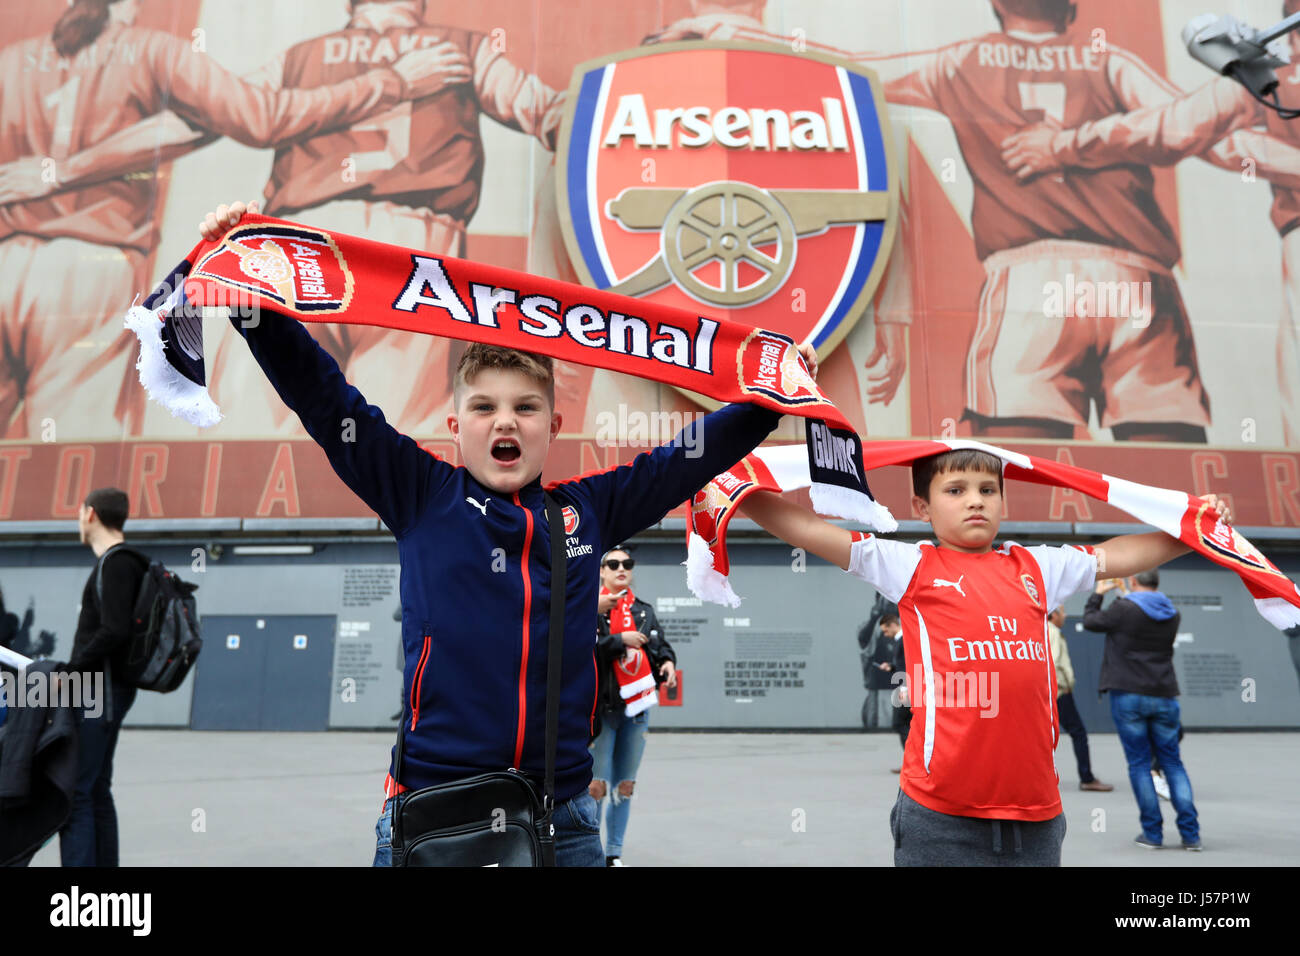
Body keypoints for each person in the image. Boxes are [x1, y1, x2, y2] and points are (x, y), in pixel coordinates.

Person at [199, 201, 808, 867]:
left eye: (525, 407)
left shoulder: (588, 511)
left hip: (566, 818)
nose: (505, 423)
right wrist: (245, 288)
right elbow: (322, 396)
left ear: (553, 425)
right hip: (436, 809)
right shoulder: (419, 493)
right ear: (456, 427)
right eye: (483, 408)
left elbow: (683, 459)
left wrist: (770, 399)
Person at [739, 448, 1230, 866]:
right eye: (955, 490)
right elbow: (807, 529)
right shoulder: (909, 565)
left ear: (1002, 499)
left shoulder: (1037, 565)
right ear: (922, 506)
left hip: (1037, 817)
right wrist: (736, 486)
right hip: (939, 817)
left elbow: (1118, 555)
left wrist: (1195, 531)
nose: (975, 499)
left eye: (987, 489)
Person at [0, 0, 454, 440]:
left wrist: (56, 172)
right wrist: (392, 81)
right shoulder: (155, 49)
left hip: (8, 258)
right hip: (89, 267)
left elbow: (188, 127)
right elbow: (260, 118)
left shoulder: (10, 61)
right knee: (74, 441)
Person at [1001, 0, 1300, 445]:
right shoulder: (1271, 81)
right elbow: (1185, 132)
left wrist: (1063, 145)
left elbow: (1173, 128)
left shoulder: (1269, 79)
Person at [59, 487, 148, 867]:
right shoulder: (124, 563)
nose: (79, 521)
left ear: (90, 514)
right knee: (95, 790)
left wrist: (70, 672)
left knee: (75, 793)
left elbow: (115, 630)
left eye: (80, 513)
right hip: (107, 690)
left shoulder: (116, 563)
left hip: (100, 691)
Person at [1081, 570, 1201, 850]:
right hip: (1165, 694)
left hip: (1129, 695)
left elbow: (1091, 622)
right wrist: (1125, 595)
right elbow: (1139, 613)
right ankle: (1191, 835)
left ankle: (1153, 834)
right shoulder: (1172, 612)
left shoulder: (1123, 609)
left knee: (1139, 765)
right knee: (1173, 763)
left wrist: (1099, 593)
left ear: (1133, 582)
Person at [591, 546, 676, 866]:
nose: (620, 568)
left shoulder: (644, 611)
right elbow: (582, 650)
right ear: (601, 570)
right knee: (596, 787)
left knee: (624, 786)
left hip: (636, 710)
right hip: (601, 711)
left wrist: (667, 663)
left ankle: (614, 854)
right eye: (612, 564)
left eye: (627, 563)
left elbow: (660, 647)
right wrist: (619, 640)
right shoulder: (589, 608)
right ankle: (591, 852)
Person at [1047, 605, 1112, 792]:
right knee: (1079, 733)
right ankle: (1087, 777)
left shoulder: (1046, 631)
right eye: (1062, 611)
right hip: (1059, 693)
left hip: (1053, 692)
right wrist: (1066, 684)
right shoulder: (1052, 633)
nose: (1065, 615)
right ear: (1054, 615)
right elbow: (1054, 662)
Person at [861, 606, 901, 731]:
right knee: (876, 722)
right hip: (879, 685)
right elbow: (863, 641)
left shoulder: (904, 630)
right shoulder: (875, 624)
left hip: (897, 686)